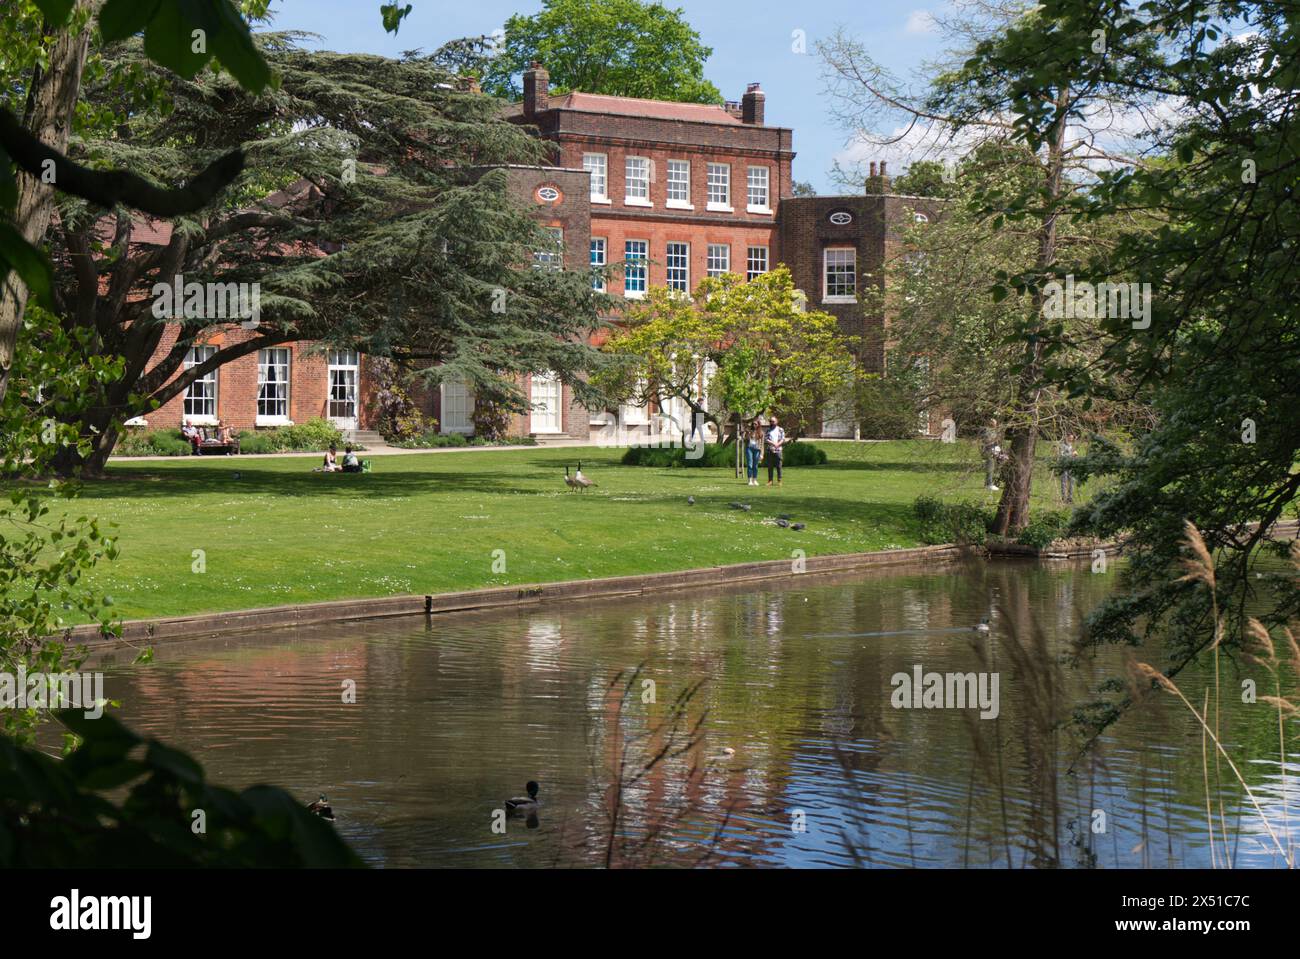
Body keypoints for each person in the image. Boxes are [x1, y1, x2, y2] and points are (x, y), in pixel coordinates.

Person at [981, 418, 1003, 491]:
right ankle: (989, 484)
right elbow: (987, 440)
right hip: (988, 450)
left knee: (993, 466)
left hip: (994, 450)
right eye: (993, 422)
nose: (995, 424)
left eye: (995, 423)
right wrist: (995, 439)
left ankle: (989, 483)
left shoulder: (994, 431)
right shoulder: (987, 431)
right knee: (990, 467)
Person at [765, 415, 786, 488]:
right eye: (770, 421)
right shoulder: (768, 430)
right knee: (770, 466)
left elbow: (783, 439)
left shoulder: (780, 429)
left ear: (776, 422)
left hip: (778, 450)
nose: (772, 422)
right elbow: (766, 439)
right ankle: (770, 481)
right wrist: (773, 444)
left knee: (779, 466)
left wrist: (778, 444)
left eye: (773, 421)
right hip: (770, 450)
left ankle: (779, 480)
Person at [1058, 432, 1077, 504]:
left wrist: (1075, 456)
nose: (1071, 439)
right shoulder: (1062, 446)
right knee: (1064, 482)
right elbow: (1061, 456)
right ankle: (1064, 498)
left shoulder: (1072, 446)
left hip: (1071, 466)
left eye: (1072, 438)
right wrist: (1071, 454)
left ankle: (1070, 498)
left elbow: (1074, 456)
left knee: (1072, 482)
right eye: (1070, 438)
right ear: (1066, 437)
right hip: (1064, 466)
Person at [744, 421, 764, 486]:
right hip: (749, 448)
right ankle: (749, 480)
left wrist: (761, 454)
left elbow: (762, 444)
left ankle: (754, 480)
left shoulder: (761, 433)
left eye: (755, 424)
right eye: (753, 424)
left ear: (758, 425)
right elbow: (745, 439)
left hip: (757, 449)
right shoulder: (749, 431)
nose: (754, 425)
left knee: (755, 465)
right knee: (750, 464)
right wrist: (747, 433)